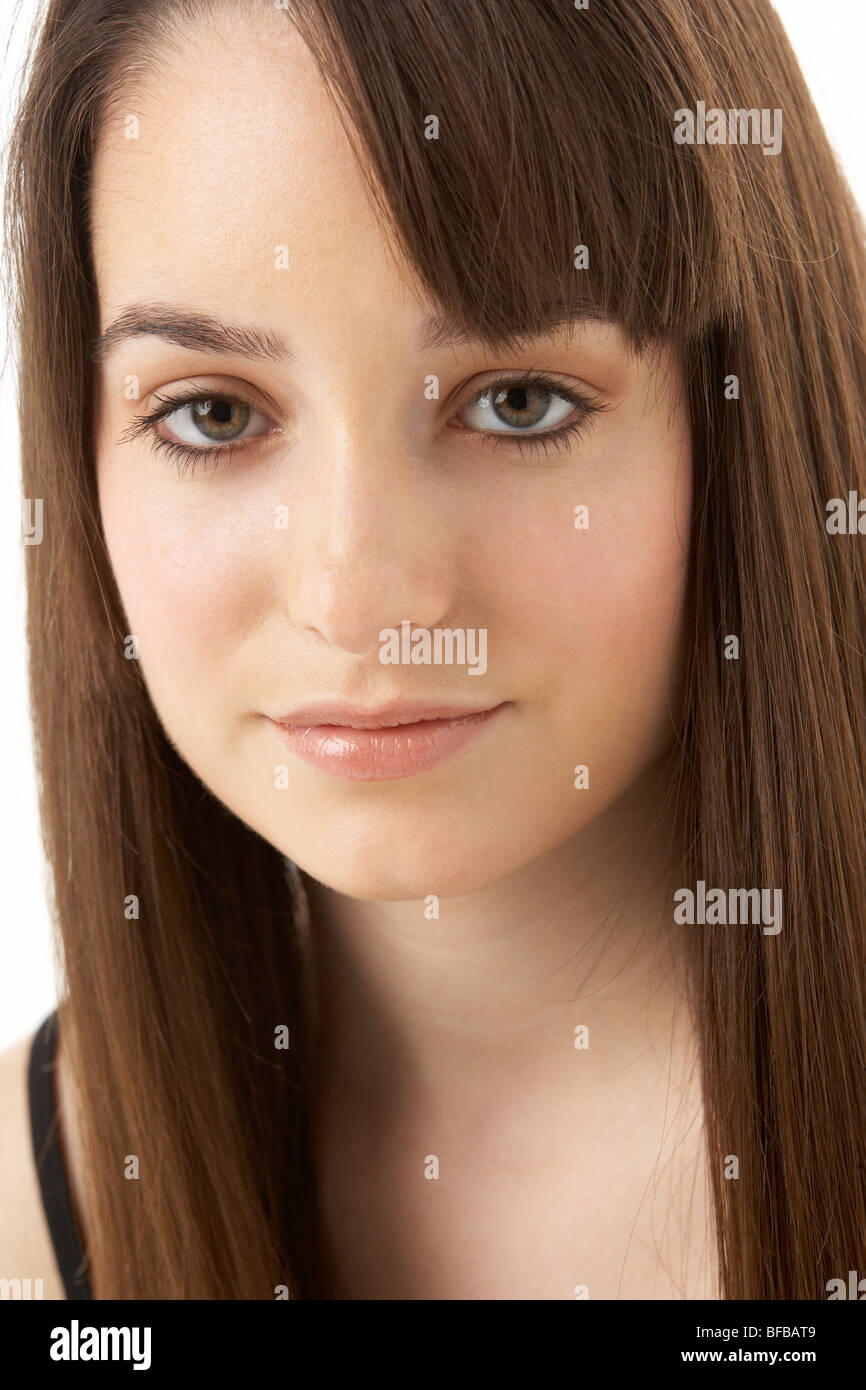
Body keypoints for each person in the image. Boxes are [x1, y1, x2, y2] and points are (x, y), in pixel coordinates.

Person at [1, 0, 865, 1300]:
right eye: (214, 412)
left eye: (517, 402)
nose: (358, 597)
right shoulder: (27, 1204)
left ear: (741, 417)